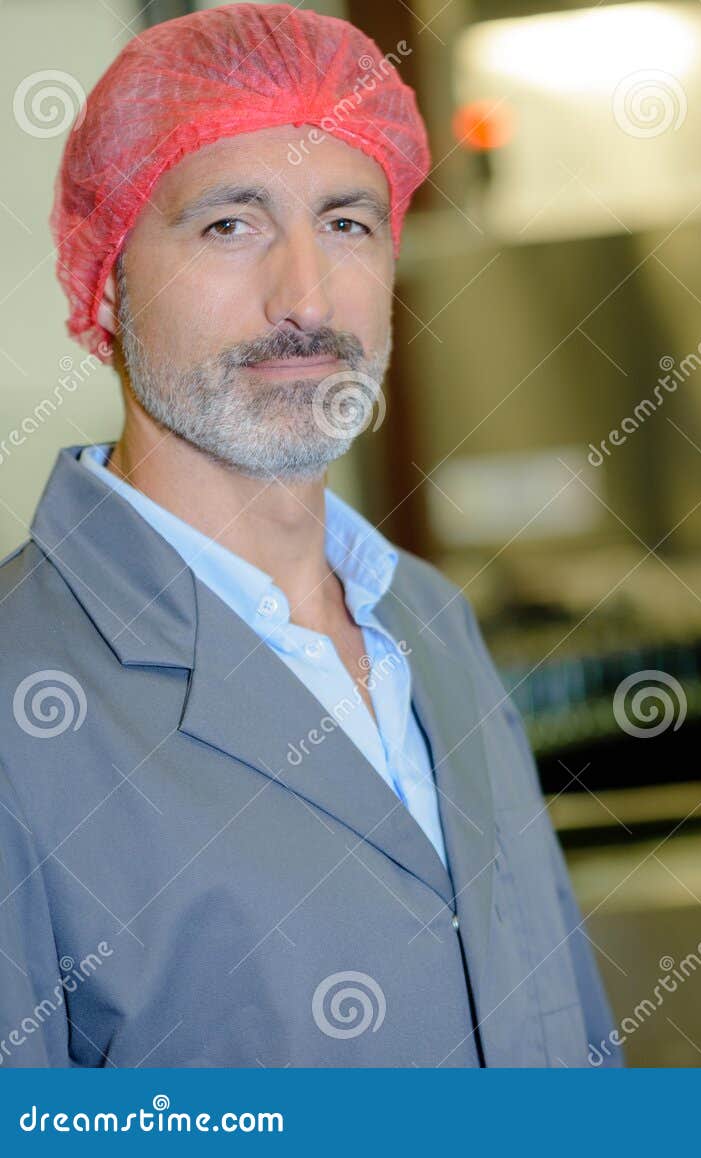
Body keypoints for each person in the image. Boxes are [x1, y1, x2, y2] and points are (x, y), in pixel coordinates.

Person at [0, 4, 615, 1066]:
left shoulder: (426, 618)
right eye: (229, 225)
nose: (304, 297)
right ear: (107, 276)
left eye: (347, 223)